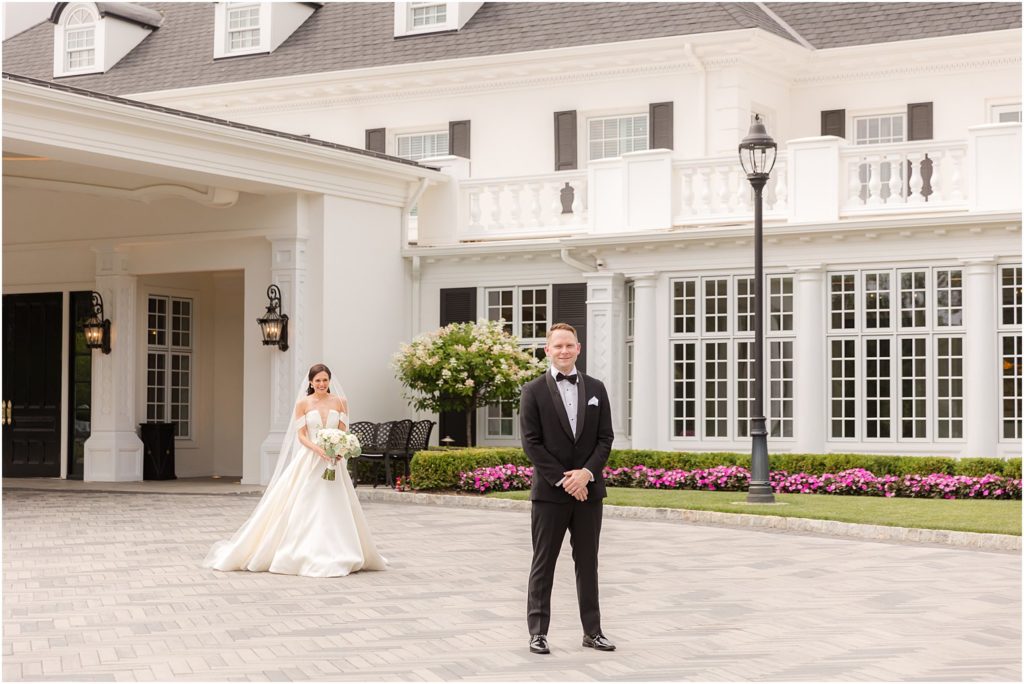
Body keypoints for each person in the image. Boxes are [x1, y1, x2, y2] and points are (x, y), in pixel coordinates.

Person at [203, 363, 387, 577]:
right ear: (310, 382)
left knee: (337, 503)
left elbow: (343, 432)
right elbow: (301, 436)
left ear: (330, 381)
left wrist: (339, 450)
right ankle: (301, 551)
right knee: (305, 501)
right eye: (317, 380)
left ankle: (343, 549)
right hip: (311, 459)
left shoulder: (341, 402)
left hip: (334, 461)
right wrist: (319, 450)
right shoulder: (303, 404)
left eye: (325, 380)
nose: (321, 384)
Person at [519, 323, 615, 655]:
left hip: (589, 492)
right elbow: (531, 444)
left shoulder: (596, 389)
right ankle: (538, 632)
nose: (564, 351)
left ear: (578, 348)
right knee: (543, 563)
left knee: (588, 562)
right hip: (550, 493)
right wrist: (565, 480)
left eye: (569, 345)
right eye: (557, 346)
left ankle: (593, 631)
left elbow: (605, 439)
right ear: (547, 350)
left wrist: (586, 474)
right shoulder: (532, 391)